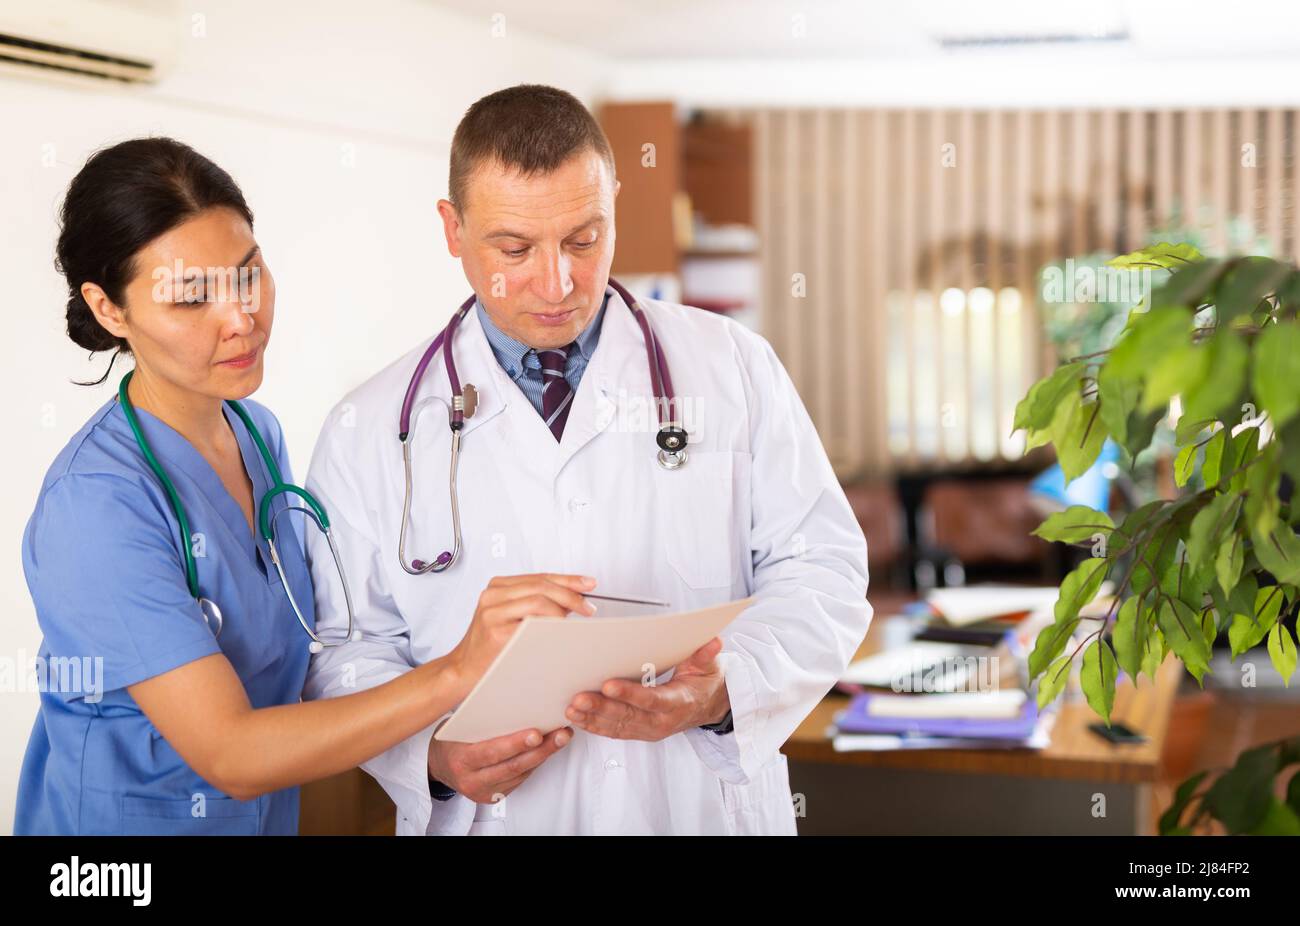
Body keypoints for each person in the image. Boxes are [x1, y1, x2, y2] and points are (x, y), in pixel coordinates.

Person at [303, 85, 872, 835]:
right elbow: (345, 649)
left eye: (583, 239)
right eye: (515, 249)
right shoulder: (368, 428)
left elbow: (822, 572)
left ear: (615, 206)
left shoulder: (732, 367)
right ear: (452, 228)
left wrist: (721, 690)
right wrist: (431, 754)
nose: (557, 282)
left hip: (697, 808)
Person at [15, 137, 576, 835]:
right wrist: (457, 671)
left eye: (248, 275)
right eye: (192, 299)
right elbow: (233, 752)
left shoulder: (257, 435)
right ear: (109, 309)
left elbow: (311, 653)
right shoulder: (94, 506)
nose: (240, 318)